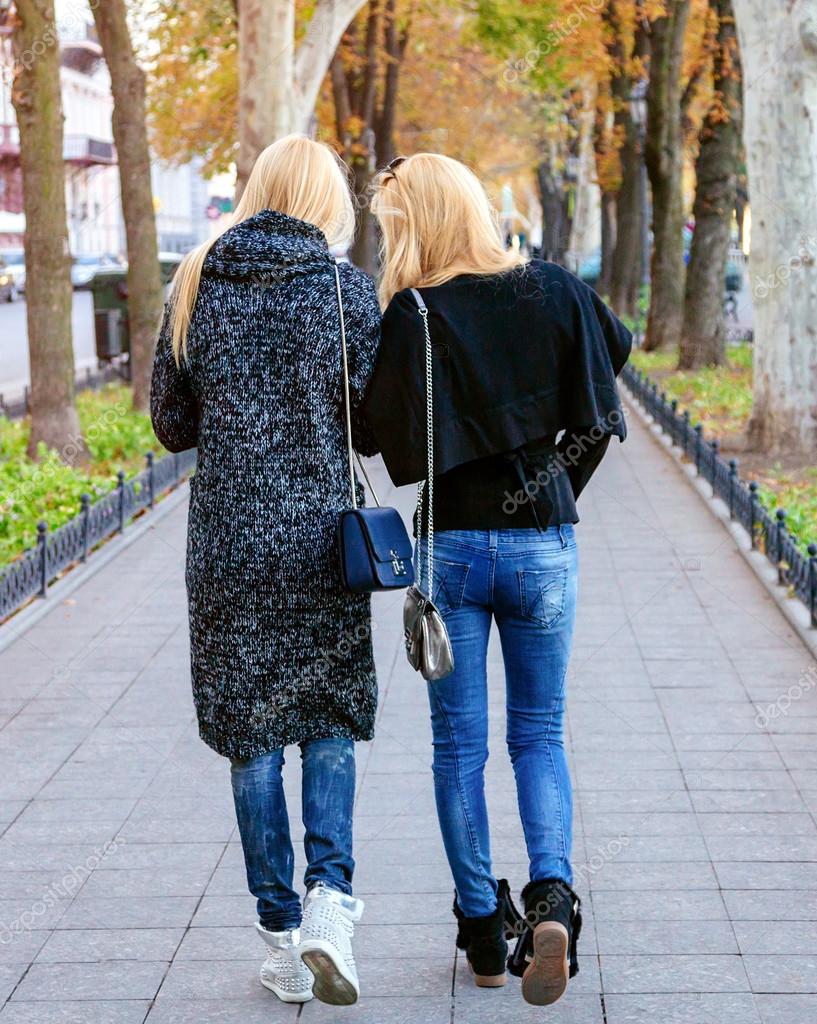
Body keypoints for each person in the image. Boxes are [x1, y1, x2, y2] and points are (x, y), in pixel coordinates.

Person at [364, 153, 632, 1006]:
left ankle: (484, 930)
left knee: (457, 749)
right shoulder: (551, 289)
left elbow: (372, 436)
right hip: (542, 544)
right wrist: (549, 489)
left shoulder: (413, 313)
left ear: (414, 224)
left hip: (452, 551)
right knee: (541, 734)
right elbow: (601, 398)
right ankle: (552, 897)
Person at [150, 135, 381, 1008]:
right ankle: (332, 903)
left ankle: (281, 939)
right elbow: (368, 426)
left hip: (228, 549)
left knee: (251, 740)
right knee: (326, 721)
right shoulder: (341, 289)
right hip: (323, 544)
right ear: (326, 199)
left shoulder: (194, 284)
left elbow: (172, 426)